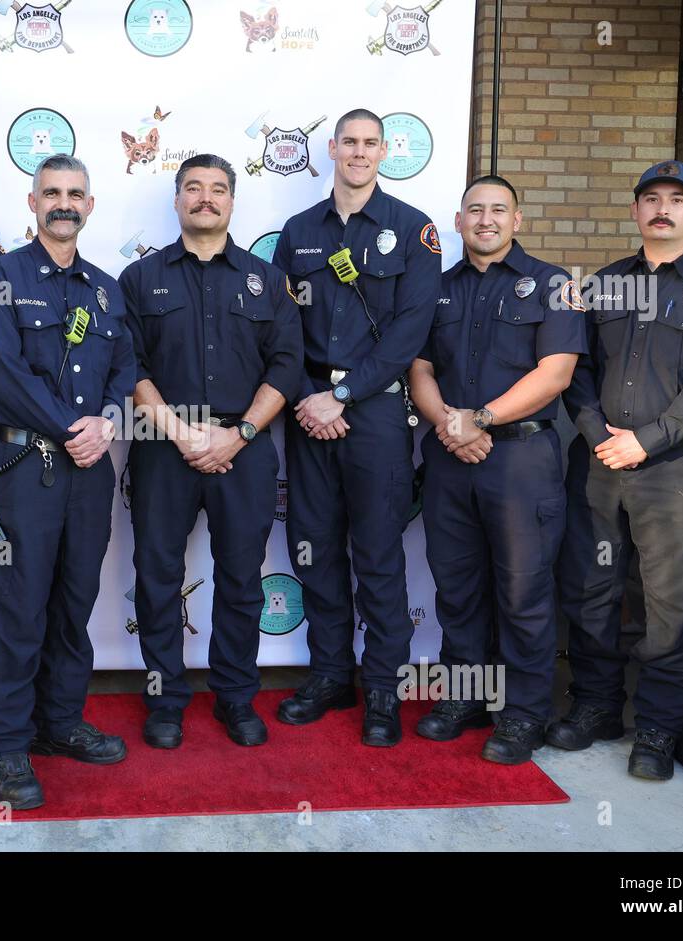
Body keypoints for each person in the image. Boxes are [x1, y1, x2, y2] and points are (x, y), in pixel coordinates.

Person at [553, 160, 683, 780]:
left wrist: (645, 441)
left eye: (677, 199)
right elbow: (575, 367)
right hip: (596, 464)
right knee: (591, 591)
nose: (662, 208)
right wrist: (597, 434)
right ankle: (595, 706)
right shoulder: (607, 285)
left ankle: (658, 729)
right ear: (636, 210)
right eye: (650, 198)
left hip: (673, 471)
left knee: (668, 603)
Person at [119, 154, 302, 750]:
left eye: (217, 190)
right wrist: (178, 431)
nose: (205, 198)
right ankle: (165, 699)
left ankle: (235, 697)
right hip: (161, 444)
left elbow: (287, 364)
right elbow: (130, 366)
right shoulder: (140, 280)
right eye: (193, 188)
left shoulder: (267, 280)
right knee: (157, 578)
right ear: (176, 200)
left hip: (243, 447)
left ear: (231, 202)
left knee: (242, 580)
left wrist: (240, 434)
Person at [273, 108, 442, 745]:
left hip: (373, 412)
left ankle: (380, 690)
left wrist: (343, 394)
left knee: (376, 556)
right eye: (350, 142)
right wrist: (313, 397)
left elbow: (408, 333)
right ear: (331, 148)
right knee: (312, 550)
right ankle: (328, 676)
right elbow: (284, 328)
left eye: (371, 143)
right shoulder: (297, 231)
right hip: (309, 411)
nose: (360, 152)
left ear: (385, 151)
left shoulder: (414, 230)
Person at [0, 155, 137, 809]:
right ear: (32, 202)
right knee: (16, 606)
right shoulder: (3, 276)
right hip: (26, 468)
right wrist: (78, 424)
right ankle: (6, 743)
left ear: (90, 206)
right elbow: (5, 373)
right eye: (52, 193)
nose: (63, 203)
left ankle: (59, 721)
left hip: (91, 472)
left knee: (74, 602)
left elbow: (124, 368)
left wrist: (110, 421)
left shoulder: (105, 288)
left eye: (75, 194)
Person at [408, 176, 586, 764]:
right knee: (457, 589)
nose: (486, 219)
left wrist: (478, 420)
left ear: (518, 221)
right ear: (458, 222)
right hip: (450, 458)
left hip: (520, 460)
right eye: (474, 210)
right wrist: (449, 426)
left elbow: (555, 373)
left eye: (498, 210)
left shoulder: (554, 286)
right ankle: (466, 697)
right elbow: (420, 368)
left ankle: (524, 713)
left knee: (523, 592)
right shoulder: (436, 289)